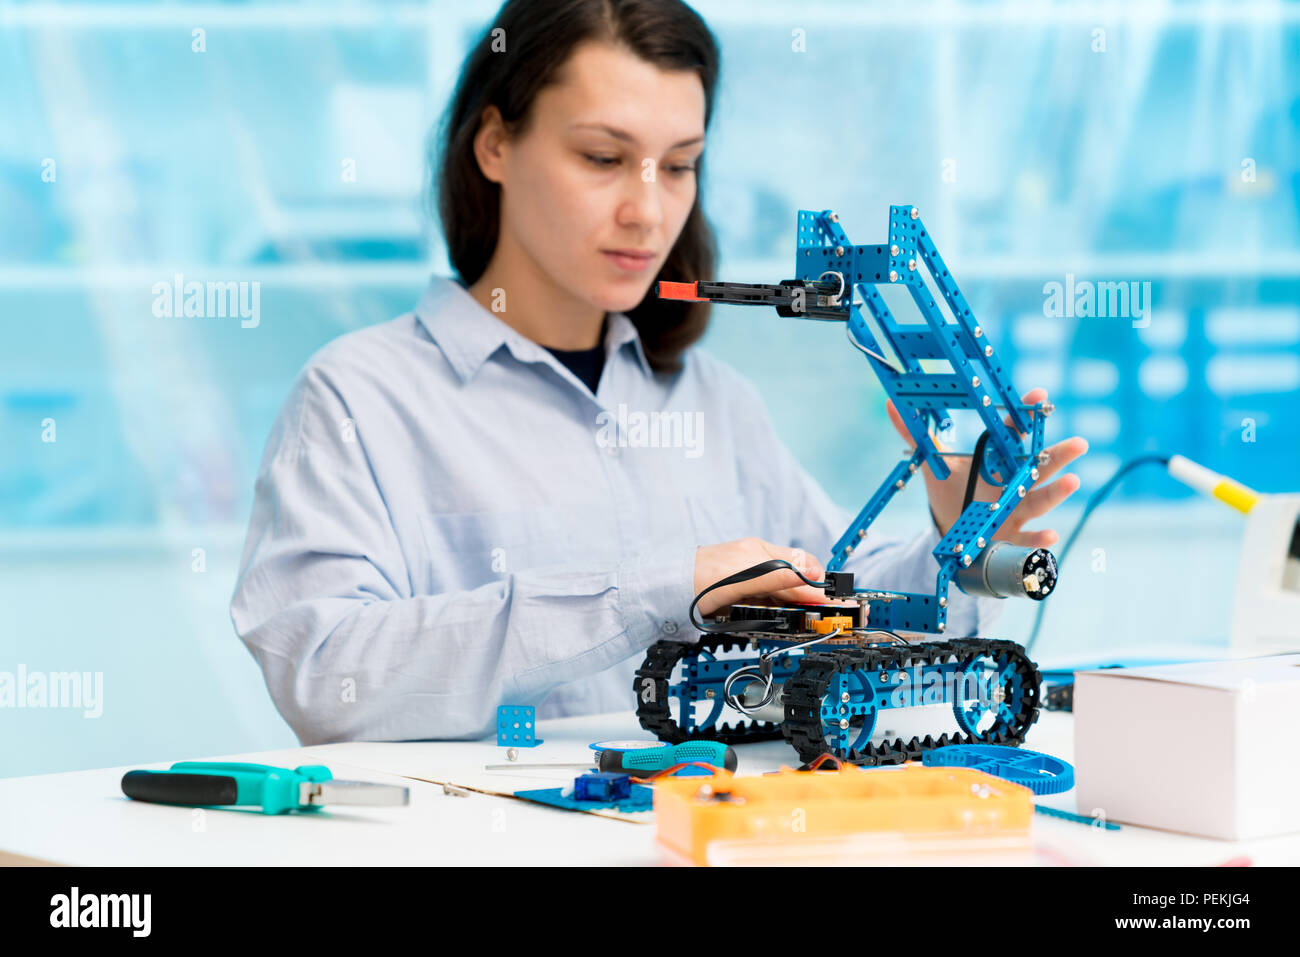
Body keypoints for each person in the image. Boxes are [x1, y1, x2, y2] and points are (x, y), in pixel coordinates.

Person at [230, 0, 1087, 746]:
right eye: (604, 158)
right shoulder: (357, 398)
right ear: (495, 143)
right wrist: (652, 597)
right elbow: (322, 673)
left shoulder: (714, 403)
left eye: (679, 165)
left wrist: (957, 544)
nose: (648, 208)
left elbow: (832, 609)